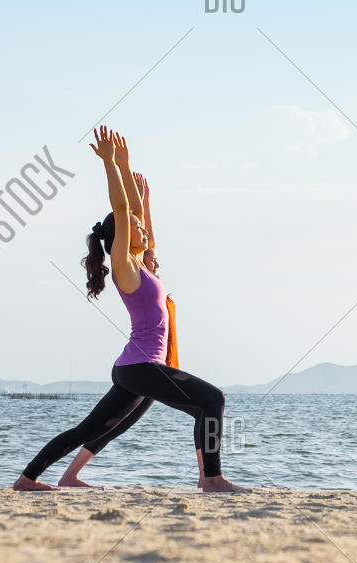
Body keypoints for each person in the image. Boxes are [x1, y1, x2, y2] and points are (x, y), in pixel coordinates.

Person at [14, 126, 239, 493]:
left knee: (91, 429)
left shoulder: (142, 263)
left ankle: (27, 480)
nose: (142, 229)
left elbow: (133, 213)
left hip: (136, 368)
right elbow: (122, 209)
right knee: (212, 399)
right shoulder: (125, 266)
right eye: (135, 227)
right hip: (139, 366)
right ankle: (211, 479)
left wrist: (133, 180)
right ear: (120, 236)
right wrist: (110, 165)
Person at [55, 170, 193, 487]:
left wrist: (144, 202)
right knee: (97, 425)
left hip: (152, 363)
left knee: (114, 426)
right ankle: (210, 477)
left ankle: (70, 476)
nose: (154, 258)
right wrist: (117, 165)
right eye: (148, 255)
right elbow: (125, 219)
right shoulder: (132, 269)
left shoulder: (146, 270)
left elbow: (146, 237)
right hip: (140, 364)